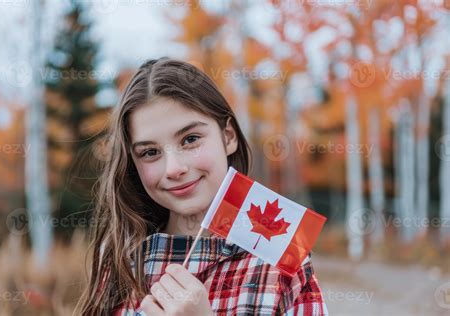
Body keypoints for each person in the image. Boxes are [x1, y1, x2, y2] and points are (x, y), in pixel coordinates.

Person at [77, 58, 328, 315]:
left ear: (227, 137)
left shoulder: (278, 265)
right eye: (150, 152)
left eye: (190, 139)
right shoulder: (122, 264)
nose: (174, 168)